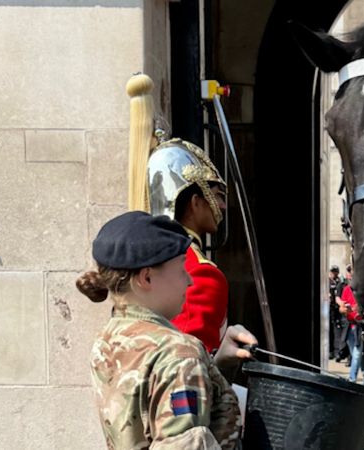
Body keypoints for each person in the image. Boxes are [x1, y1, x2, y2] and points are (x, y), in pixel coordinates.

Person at [78, 211, 258, 448]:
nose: (190, 281)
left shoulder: (109, 338)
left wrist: (217, 366)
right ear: (147, 278)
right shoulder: (178, 352)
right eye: (182, 269)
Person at [127, 73, 230, 353]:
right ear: (195, 202)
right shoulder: (199, 274)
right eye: (217, 196)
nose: (221, 207)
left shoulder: (148, 264)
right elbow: (191, 364)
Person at [339, 280, 364, 382]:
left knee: (357, 353)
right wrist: (344, 309)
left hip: (360, 326)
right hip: (349, 326)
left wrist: (357, 310)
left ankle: (352, 378)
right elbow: (341, 308)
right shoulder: (346, 289)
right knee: (354, 354)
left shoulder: (363, 290)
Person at [328, 265, 349, 361]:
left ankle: (338, 352)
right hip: (330, 309)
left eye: (335, 271)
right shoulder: (327, 282)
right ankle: (332, 351)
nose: (334, 273)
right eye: (332, 271)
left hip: (338, 309)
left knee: (339, 331)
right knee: (331, 331)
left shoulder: (341, 283)